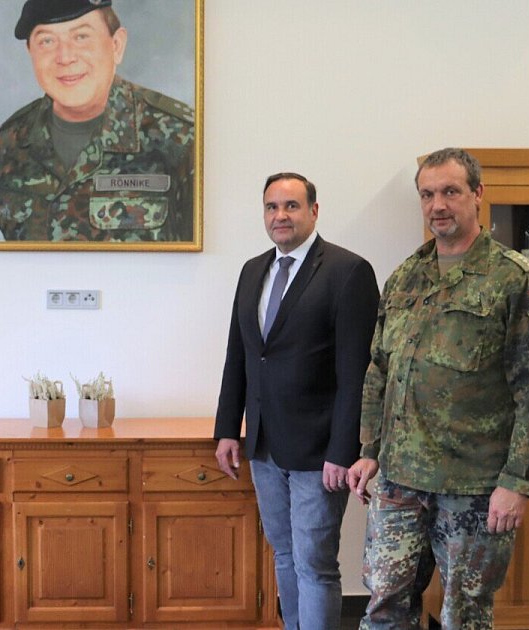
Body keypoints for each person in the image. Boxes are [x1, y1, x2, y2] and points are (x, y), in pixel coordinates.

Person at [347, 148, 529, 630]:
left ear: (477, 194)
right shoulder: (406, 276)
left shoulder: (513, 279)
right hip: (401, 480)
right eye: (427, 194)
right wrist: (370, 449)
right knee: (384, 604)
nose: (437, 204)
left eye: (450, 191)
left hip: (474, 486)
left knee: (463, 613)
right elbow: (381, 369)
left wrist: (518, 482)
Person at [214, 172, 379, 629]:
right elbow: (240, 355)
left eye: (290, 206)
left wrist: (343, 451)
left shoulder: (348, 272)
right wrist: (229, 428)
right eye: (271, 207)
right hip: (265, 446)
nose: (280, 216)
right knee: (284, 555)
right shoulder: (253, 270)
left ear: (313, 211)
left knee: (314, 563)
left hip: (318, 453)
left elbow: (356, 374)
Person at [0, 0, 195, 242]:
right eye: (47, 41)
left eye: (81, 37)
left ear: (116, 45)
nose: (65, 57)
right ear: (30, 53)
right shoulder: (12, 141)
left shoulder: (180, 136)